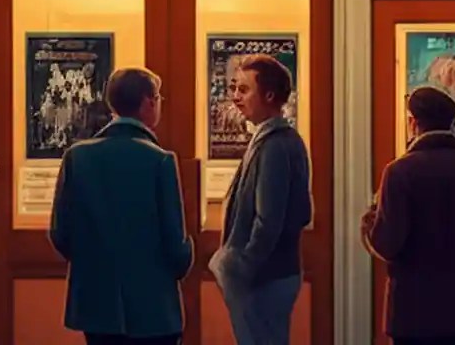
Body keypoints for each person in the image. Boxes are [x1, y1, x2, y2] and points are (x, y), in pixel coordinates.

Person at [49, 67, 193, 345]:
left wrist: (92, 264)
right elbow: (175, 244)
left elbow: (60, 233)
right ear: (149, 102)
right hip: (153, 307)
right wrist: (185, 257)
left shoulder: (76, 157)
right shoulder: (160, 161)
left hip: (96, 303)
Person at [362, 86, 455, 345]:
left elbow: (388, 244)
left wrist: (370, 220)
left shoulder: (399, 172)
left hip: (411, 311)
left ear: (413, 122)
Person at [210, 54, 312, 345]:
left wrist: (243, 269)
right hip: (270, 274)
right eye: (234, 88)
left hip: (265, 278)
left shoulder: (277, 145)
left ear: (269, 95)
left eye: (244, 89)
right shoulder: (273, 140)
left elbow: (269, 219)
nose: (235, 97)